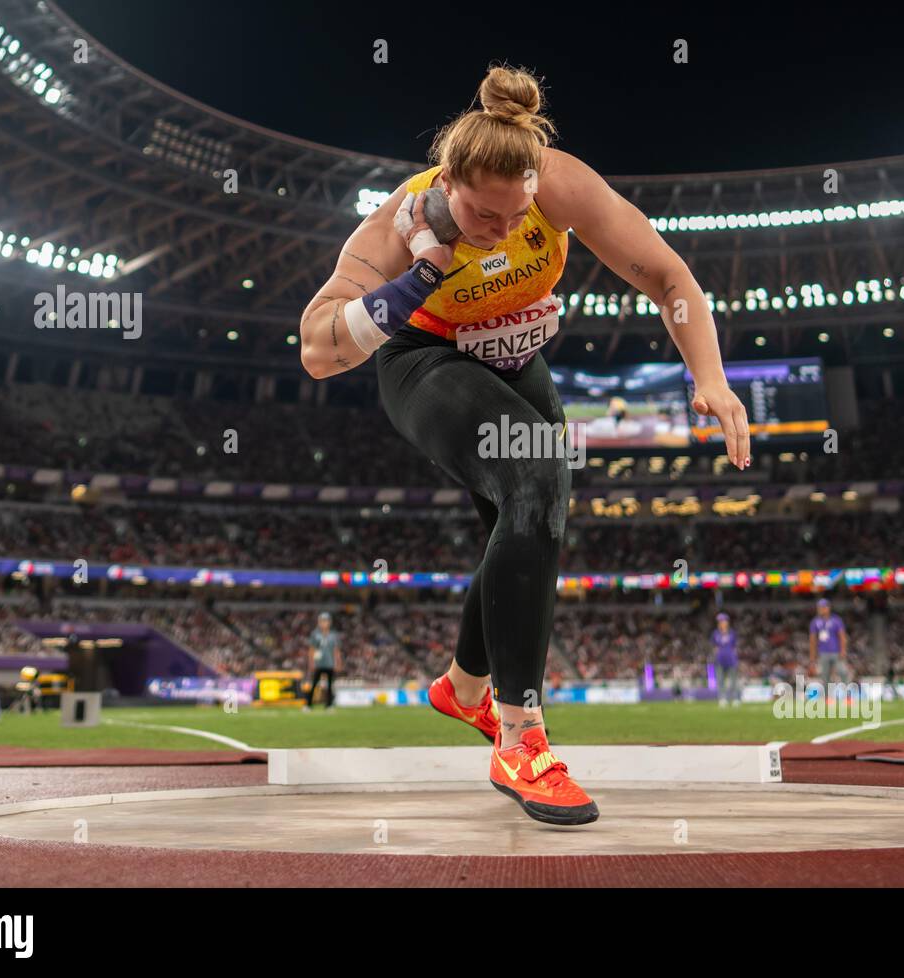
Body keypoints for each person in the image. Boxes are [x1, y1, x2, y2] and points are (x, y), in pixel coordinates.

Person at [298, 65, 750, 825]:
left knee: (539, 509)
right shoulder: (396, 225)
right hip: (426, 359)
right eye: (483, 214)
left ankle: (464, 685)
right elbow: (318, 350)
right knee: (539, 468)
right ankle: (519, 737)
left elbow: (668, 275)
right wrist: (419, 279)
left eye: (519, 215)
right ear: (448, 182)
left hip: (516, 357)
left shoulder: (560, 187)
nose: (504, 229)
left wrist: (711, 375)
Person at [808, 598, 850, 696]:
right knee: (825, 676)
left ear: (828, 608)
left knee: (842, 672)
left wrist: (843, 650)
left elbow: (842, 636)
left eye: (823, 607)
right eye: (819, 607)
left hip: (836, 651)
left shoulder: (836, 620)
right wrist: (812, 656)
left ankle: (847, 696)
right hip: (823, 652)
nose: (821, 609)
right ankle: (827, 697)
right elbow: (812, 640)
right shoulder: (815, 622)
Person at [304, 612, 340, 710]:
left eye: (326, 621)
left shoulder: (333, 635)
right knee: (314, 685)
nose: (324, 623)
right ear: (319, 622)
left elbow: (336, 650)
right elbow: (311, 649)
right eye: (322, 621)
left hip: (329, 663)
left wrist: (337, 662)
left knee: (329, 686)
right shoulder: (315, 634)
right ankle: (308, 705)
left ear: (329, 622)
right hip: (318, 663)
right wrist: (311, 662)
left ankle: (329, 705)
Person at [711, 612, 740, 708]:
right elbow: (714, 647)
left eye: (723, 621)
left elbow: (735, 647)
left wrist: (735, 659)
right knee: (720, 681)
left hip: (731, 660)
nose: (721, 623)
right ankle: (722, 699)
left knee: (733, 681)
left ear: (727, 622)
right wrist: (716, 657)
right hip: (719, 660)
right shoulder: (715, 633)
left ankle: (735, 699)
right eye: (719, 621)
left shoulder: (732, 633)